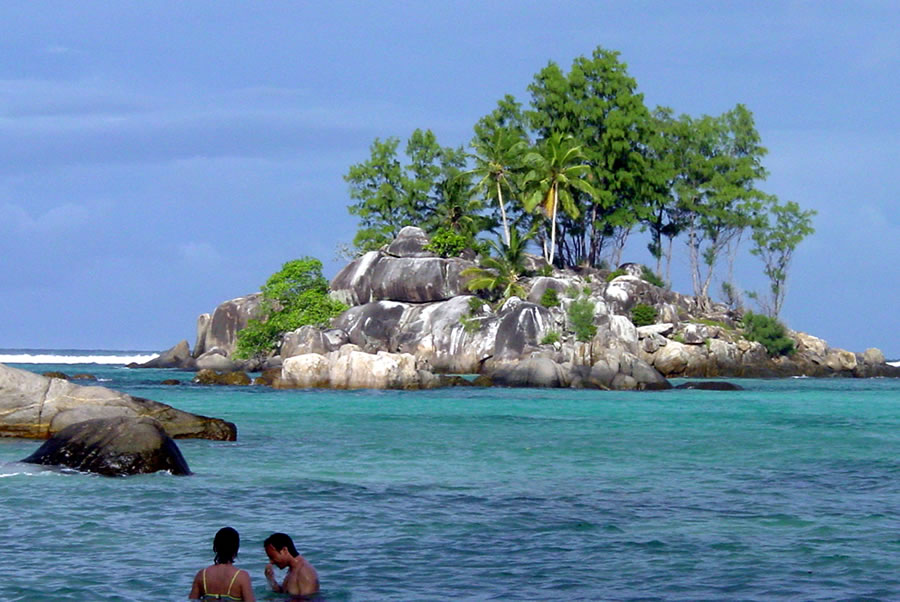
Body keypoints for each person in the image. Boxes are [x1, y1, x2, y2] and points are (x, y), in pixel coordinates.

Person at [189, 527, 256, 601]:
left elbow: (192, 600)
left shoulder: (202, 575)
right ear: (236, 548)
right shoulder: (241, 577)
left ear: (215, 547)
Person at [263, 532, 320, 597]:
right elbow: (285, 593)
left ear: (284, 550)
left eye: (272, 557)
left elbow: (309, 599)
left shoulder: (304, 572)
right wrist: (271, 579)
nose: (271, 562)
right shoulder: (293, 570)